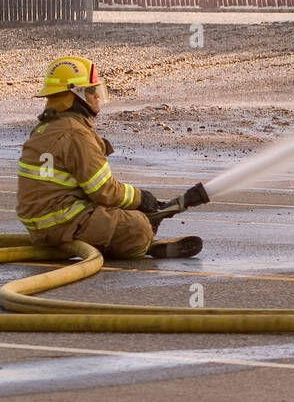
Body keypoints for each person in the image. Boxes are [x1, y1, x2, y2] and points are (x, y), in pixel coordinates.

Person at [16, 56, 200, 259]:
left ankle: (137, 240)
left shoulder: (47, 128)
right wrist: (141, 198)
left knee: (121, 213)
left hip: (44, 224)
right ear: (74, 95)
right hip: (63, 222)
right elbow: (103, 190)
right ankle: (143, 244)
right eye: (91, 91)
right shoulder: (75, 133)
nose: (96, 97)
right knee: (137, 226)